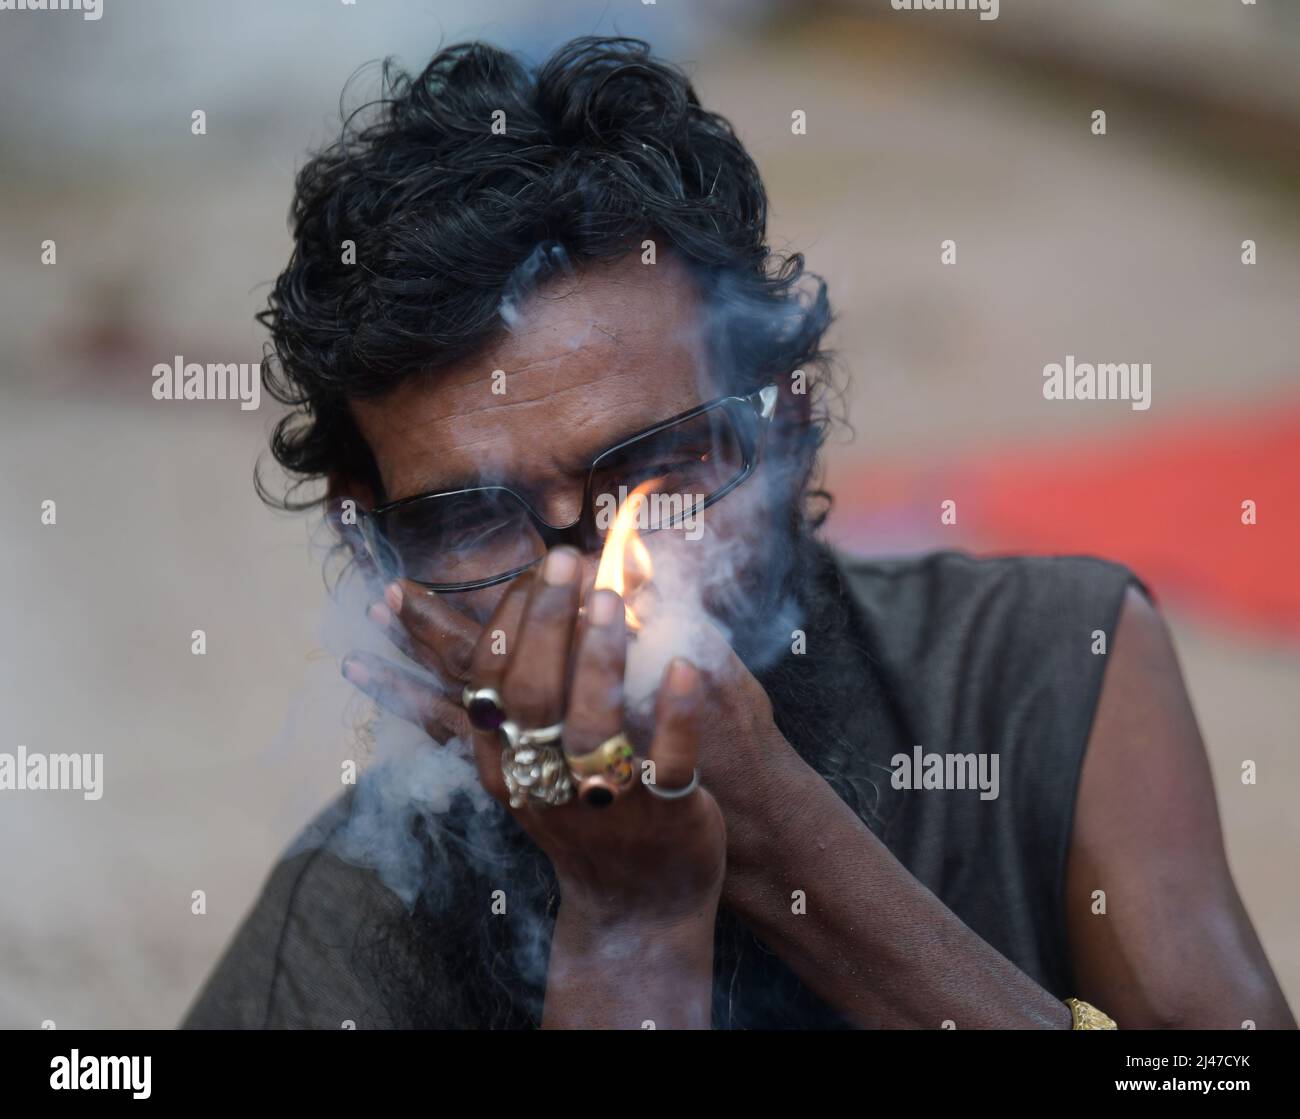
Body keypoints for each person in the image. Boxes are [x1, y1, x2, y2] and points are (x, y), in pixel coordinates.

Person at [183, 37, 1294, 1030]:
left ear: (787, 417)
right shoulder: (356, 919)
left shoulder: (1049, 667)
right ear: (374, 545)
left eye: (657, 469)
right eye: (473, 517)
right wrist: (633, 918)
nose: (588, 581)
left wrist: (779, 839)